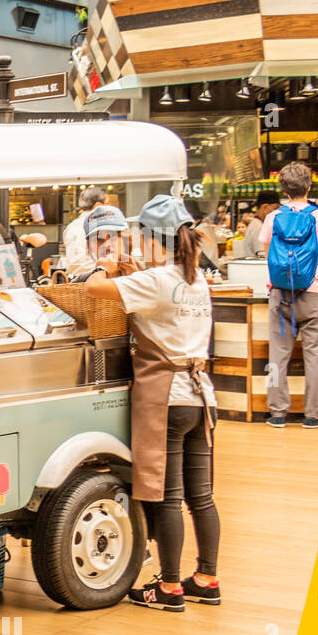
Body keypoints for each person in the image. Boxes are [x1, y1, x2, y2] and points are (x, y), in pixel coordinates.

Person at [85, 194, 220, 612]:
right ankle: (207, 578)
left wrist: (104, 266)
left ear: (154, 237)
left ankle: (169, 587)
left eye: (140, 235)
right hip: (201, 397)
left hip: (168, 399)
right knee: (202, 497)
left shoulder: (157, 281)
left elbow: (94, 289)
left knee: (166, 496)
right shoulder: (194, 279)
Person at [262, 162, 318, 428]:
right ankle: (312, 415)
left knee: (277, 354)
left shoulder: (272, 217)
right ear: (309, 186)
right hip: (315, 293)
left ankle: (277, 413)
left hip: (281, 293)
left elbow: (268, 256)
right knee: (316, 355)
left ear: (283, 189)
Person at [70, 204, 129, 282]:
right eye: (98, 239)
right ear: (89, 245)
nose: (107, 244)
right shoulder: (81, 282)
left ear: (124, 239)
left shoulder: (141, 279)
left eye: (112, 236)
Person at [62, 186, 108, 278]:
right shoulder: (99, 225)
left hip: (74, 278)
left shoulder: (72, 226)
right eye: (107, 204)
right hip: (96, 277)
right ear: (98, 206)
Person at [243, 189, 281, 257]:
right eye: (275, 208)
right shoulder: (258, 227)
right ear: (265, 206)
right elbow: (262, 254)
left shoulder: (257, 224)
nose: (276, 212)